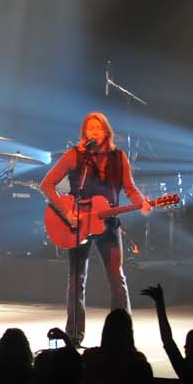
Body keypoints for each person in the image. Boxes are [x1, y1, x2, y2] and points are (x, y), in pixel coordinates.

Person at [38, 111, 150, 348]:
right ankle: (73, 336)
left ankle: (122, 336)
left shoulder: (119, 157)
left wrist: (141, 202)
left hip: (108, 225)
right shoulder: (75, 156)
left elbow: (129, 188)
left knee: (117, 278)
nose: (94, 132)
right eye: (89, 129)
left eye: (98, 128)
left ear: (106, 131)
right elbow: (46, 185)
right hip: (77, 225)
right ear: (84, 133)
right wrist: (67, 211)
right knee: (76, 280)